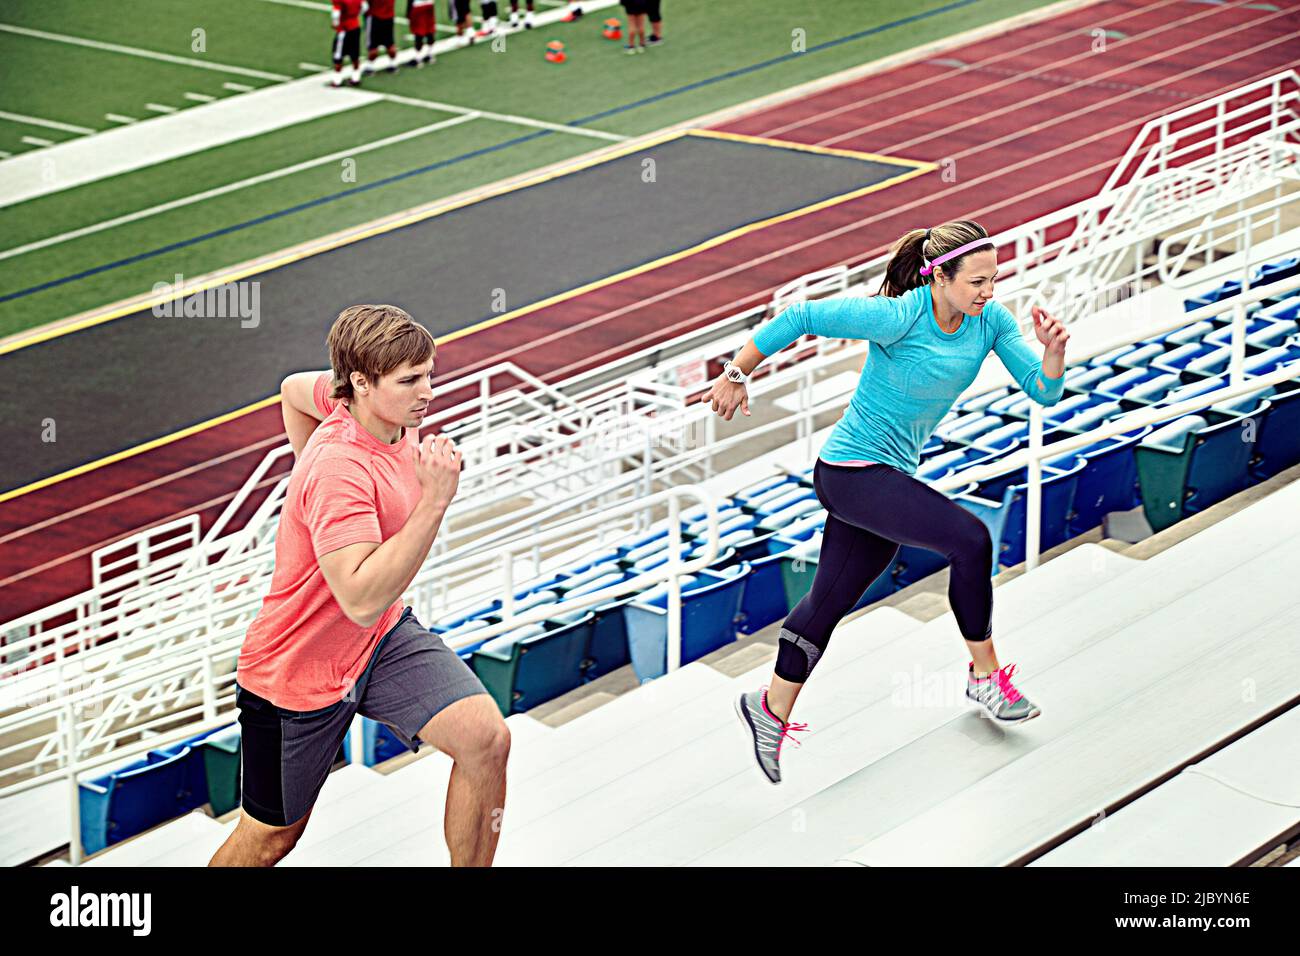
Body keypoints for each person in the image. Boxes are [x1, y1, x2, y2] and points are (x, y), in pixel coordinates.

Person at [703, 220, 1071, 785]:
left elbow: (1043, 392)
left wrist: (1052, 353)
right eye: (976, 281)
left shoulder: (990, 322)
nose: (988, 292)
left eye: (993, 279)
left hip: (884, 479)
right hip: (850, 474)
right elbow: (802, 316)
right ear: (939, 277)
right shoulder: (900, 316)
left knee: (828, 602)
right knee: (970, 539)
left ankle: (769, 708)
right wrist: (736, 372)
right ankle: (986, 676)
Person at [210, 305, 510, 866]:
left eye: (428, 374)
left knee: (485, 739)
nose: (427, 393)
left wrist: (306, 469)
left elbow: (291, 391)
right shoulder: (339, 468)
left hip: (380, 643)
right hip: (295, 675)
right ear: (362, 384)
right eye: (410, 381)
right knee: (272, 838)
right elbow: (360, 599)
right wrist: (434, 498)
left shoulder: (367, 408)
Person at [330, 0, 367, 87]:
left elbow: (336, 13)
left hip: (344, 28)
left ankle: (337, 80)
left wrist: (335, 22)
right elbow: (365, 7)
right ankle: (356, 77)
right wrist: (355, 15)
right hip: (355, 26)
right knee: (355, 53)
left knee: (338, 55)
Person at [364, 0, 400, 73]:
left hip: (375, 17)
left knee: (372, 46)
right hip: (389, 17)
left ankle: (370, 67)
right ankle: (393, 64)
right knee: (390, 43)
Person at [407, 0, 437, 66]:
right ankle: (430, 55)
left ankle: (418, 59)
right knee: (429, 29)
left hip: (418, 6)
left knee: (419, 31)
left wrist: (408, 13)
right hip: (429, 4)